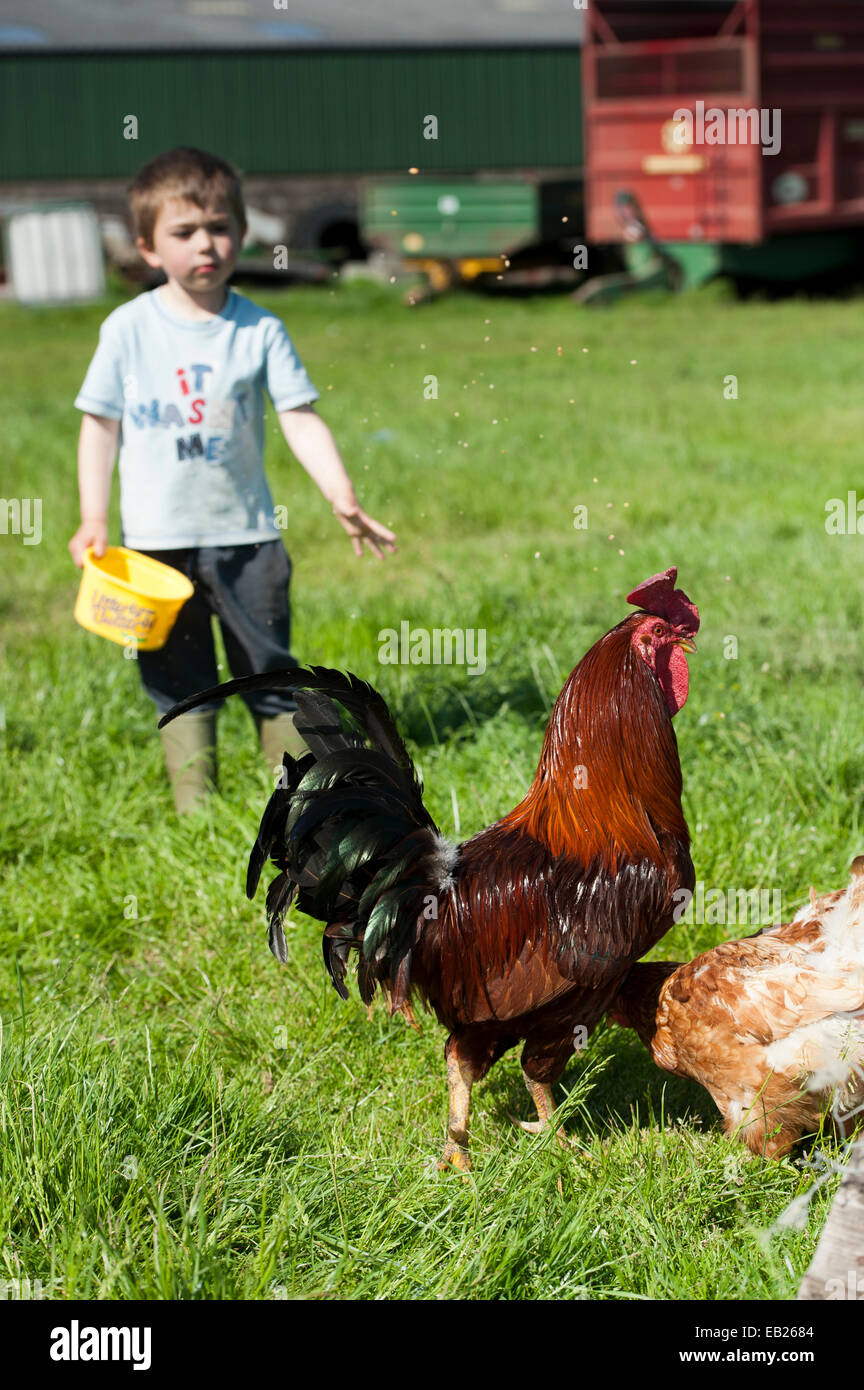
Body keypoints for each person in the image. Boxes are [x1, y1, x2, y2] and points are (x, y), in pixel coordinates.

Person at [69, 146, 396, 813]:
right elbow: (99, 425)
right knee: (176, 677)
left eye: (219, 227)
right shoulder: (127, 330)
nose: (205, 244)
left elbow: (299, 416)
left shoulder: (260, 329)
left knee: (270, 673)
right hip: (154, 551)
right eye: (184, 232)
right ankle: (196, 807)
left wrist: (340, 492)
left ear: (242, 233)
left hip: (249, 541)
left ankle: (293, 803)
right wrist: (93, 518)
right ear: (148, 247)